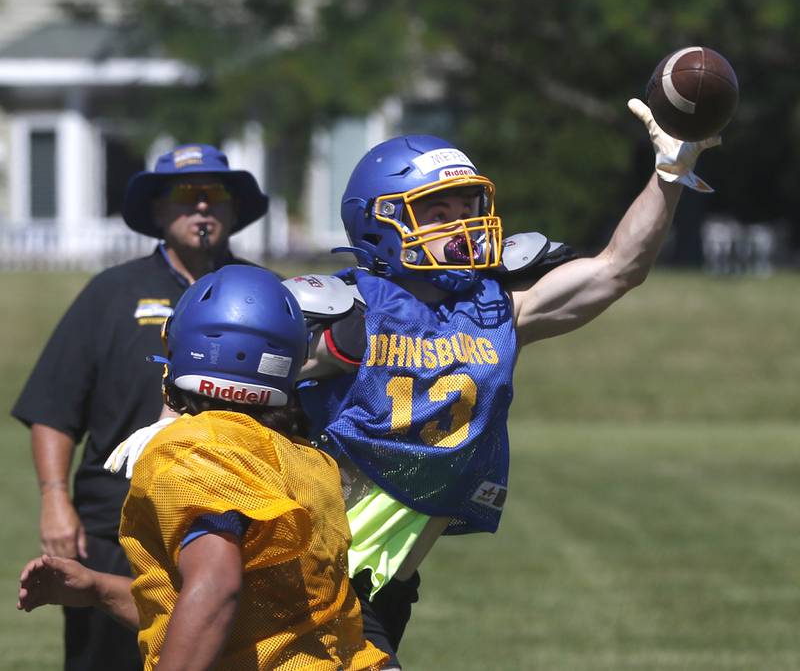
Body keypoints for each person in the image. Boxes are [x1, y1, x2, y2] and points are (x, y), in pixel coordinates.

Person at [281, 98, 722, 666]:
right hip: (314, 570)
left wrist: (668, 174)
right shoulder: (357, 311)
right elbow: (230, 364)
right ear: (380, 222)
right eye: (438, 213)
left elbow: (619, 268)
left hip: (385, 582)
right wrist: (171, 422)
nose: (463, 225)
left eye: (469, 206)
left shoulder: (494, 310)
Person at [19, 265, 387, 671]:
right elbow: (250, 618)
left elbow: (214, 588)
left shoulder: (194, 448)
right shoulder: (302, 459)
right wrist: (98, 589)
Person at [11, 143, 271, 671]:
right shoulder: (111, 292)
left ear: (233, 208)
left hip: (233, 523)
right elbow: (54, 407)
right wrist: (54, 498)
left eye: (215, 194)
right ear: (156, 210)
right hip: (118, 527)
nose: (202, 207)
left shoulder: (264, 296)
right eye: (185, 195)